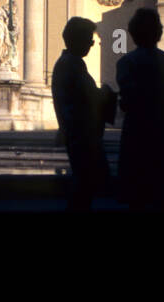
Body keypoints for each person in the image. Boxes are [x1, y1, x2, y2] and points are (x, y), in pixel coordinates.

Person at [116, 8, 164, 209]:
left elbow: (127, 102)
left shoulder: (126, 63)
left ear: (133, 33)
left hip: (137, 138)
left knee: (138, 198)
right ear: (159, 33)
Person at [51, 17, 116, 211]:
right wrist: (106, 93)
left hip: (79, 133)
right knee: (84, 184)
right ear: (77, 40)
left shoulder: (70, 63)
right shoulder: (72, 65)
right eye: (89, 39)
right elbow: (87, 99)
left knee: (84, 185)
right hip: (82, 134)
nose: (92, 44)